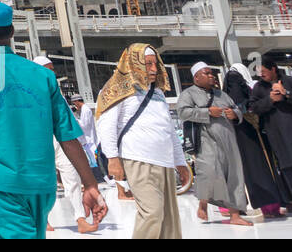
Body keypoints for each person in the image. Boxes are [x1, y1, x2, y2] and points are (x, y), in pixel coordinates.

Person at [0, 0, 107, 239]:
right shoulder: (43, 76)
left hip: (3, 186)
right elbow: (68, 135)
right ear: (12, 32)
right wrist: (90, 182)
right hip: (42, 186)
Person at [97, 44, 191, 239]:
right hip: (138, 158)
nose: (154, 69)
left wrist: (180, 162)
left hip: (163, 161)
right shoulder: (117, 89)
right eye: (148, 64)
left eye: (155, 64)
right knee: (152, 212)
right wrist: (112, 158)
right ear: (135, 63)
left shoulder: (157, 92)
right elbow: (106, 125)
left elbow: (169, 130)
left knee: (169, 218)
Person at [176, 62, 251, 225]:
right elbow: (182, 112)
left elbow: (237, 109)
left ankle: (235, 215)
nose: (211, 76)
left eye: (211, 73)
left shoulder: (222, 95)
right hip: (206, 139)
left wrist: (235, 114)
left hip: (228, 139)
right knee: (208, 172)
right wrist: (207, 112)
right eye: (206, 73)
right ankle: (203, 203)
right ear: (196, 77)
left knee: (234, 175)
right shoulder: (188, 94)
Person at [35, 56, 96, 234]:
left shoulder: (57, 92)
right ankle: (42, 219)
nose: (52, 72)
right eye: (48, 68)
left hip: (61, 142)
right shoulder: (30, 90)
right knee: (43, 182)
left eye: (52, 69)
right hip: (41, 142)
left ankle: (80, 219)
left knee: (72, 178)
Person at [225, 63, 289, 217]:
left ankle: (275, 204)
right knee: (258, 167)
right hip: (248, 132)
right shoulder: (238, 81)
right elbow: (241, 104)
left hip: (254, 131)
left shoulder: (249, 85)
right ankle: (270, 206)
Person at [249, 52, 292, 210]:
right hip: (279, 137)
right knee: (290, 172)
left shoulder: (290, 81)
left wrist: (286, 94)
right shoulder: (259, 88)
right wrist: (270, 100)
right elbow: (253, 108)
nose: (261, 75)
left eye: (264, 72)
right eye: (259, 73)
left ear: (273, 69)